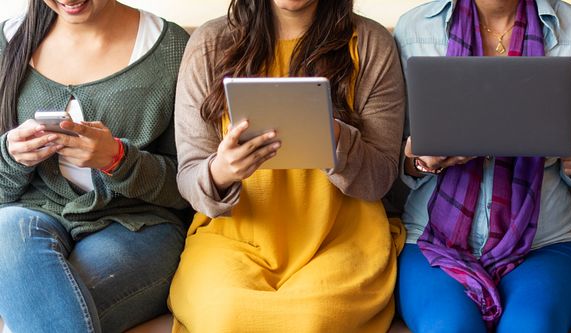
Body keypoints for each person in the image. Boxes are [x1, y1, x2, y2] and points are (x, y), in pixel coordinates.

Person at [167, 0, 405, 331]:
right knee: (224, 314)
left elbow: (381, 178)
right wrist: (222, 170)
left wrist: (334, 138)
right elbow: (190, 175)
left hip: (340, 241)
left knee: (313, 319)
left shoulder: (370, 43)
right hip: (233, 242)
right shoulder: (209, 43)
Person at [392, 0, 571, 332]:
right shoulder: (414, 29)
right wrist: (421, 161)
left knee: (530, 327)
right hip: (433, 237)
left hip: (544, 240)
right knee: (448, 327)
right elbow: (397, 160)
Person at [0, 0, 190, 331]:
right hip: (30, 213)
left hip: (136, 225)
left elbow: (189, 186)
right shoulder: (10, 40)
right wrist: (12, 155)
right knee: (5, 232)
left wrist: (118, 159)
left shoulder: (171, 49)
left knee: (45, 304)